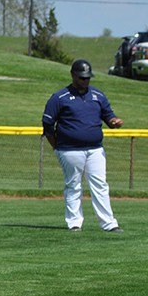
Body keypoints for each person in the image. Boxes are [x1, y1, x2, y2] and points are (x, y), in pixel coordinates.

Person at [42, 59, 123, 232]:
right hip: (69, 150)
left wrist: (114, 121)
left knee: (100, 185)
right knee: (73, 185)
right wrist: (57, 148)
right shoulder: (60, 98)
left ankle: (109, 224)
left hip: (95, 149)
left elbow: (109, 116)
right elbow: (48, 126)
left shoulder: (97, 96)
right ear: (73, 75)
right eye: (82, 78)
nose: (85, 81)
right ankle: (74, 223)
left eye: (87, 78)